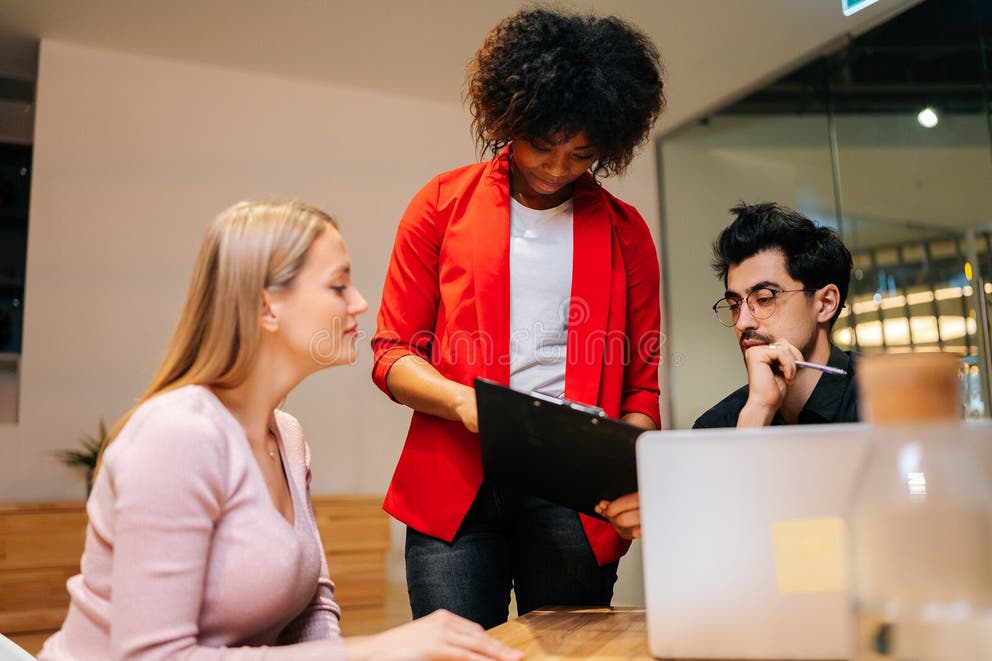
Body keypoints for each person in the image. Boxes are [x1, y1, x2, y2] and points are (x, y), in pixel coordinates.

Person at [39, 202, 521, 661]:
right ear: (267, 307)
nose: (359, 303)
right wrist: (372, 649)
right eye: (338, 287)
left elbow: (314, 610)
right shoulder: (178, 436)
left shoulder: (287, 437)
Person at [370, 8, 665, 629]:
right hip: (454, 481)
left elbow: (640, 384)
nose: (557, 168)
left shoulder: (626, 233)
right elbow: (392, 352)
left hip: (573, 492)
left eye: (581, 154)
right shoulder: (441, 205)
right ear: (510, 120)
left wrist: (629, 470)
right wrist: (462, 402)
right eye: (543, 144)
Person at [597, 201, 857, 540]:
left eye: (764, 299)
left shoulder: (884, 402)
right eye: (735, 305)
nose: (744, 322)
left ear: (824, 303)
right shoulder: (717, 426)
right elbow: (717, 544)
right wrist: (757, 415)